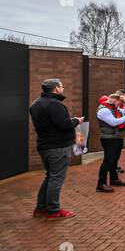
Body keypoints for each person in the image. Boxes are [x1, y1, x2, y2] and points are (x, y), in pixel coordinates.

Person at [27, 77, 83, 219]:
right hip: (58, 146)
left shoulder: (35, 104)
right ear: (56, 88)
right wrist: (77, 120)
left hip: (44, 145)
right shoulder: (55, 104)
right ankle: (54, 210)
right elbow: (64, 124)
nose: (63, 89)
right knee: (57, 178)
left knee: (50, 176)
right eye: (61, 86)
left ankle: (41, 208)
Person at [95, 93, 125, 192]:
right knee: (108, 160)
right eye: (120, 102)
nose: (121, 104)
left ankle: (114, 179)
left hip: (116, 137)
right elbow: (114, 122)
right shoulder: (103, 110)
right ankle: (101, 184)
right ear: (114, 101)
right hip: (109, 138)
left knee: (114, 160)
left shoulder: (114, 109)